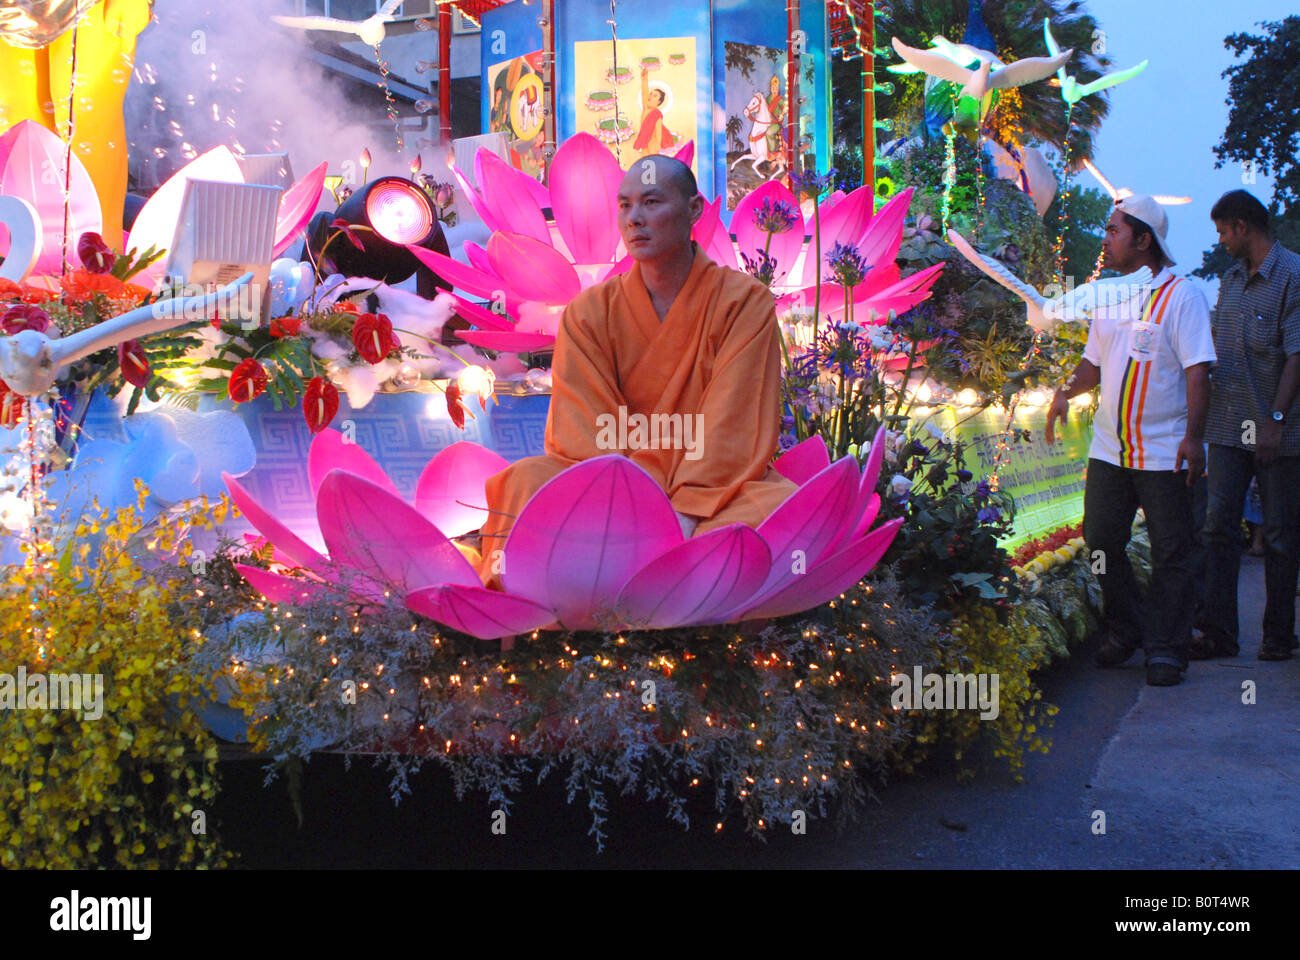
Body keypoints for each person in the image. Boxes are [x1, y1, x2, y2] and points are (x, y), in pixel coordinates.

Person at [474, 155, 796, 584]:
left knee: (773, 510)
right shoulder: (589, 311)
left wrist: (684, 511)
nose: (635, 219)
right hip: (612, 487)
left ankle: (623, 578)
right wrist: (633, 504)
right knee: (524, 482)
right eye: (625, 205)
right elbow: (581, 426)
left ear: (694, 210)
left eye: (652, 202)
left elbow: (733, 422)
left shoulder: (743, 301)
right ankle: (558, 598)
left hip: (711, 490)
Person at [1046, 196, 1215, 686]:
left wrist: (1194, 439)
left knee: (1171, 552)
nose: (1106, 239)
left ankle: (1166, 649)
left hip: (1164, 452)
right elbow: (1093, 363)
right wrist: (1064, 392)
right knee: (1101, 541)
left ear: (1144, 240)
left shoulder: (1183, 296)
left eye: (1113, 230)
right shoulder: (1109, 296)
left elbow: (1198, 371)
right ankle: (1127, 627)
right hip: (1109, 451)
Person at [1197, 189, 1300, 661]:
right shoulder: (1231, 280)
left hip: (1279, 431)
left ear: (1242, 227)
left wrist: (1275, 420)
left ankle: (1278, 635)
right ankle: (1218, 633)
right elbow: (1216, 346)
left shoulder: (1293, 274)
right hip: (1226, 426)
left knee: (1279, 534)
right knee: (1218, 528)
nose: (1221, 241)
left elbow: (1297, 355)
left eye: (1223, 231)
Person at [632, 67, 676, 159]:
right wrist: (644, 79)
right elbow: (644, 93)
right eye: (651, 94)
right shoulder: (645, 109)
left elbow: (658, 130)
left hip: (653, 143)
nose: (651, 96)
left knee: (653, 161)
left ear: (659, 102)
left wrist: (658, 144)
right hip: (644, 143)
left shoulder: (657, 114)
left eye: (655, 95)